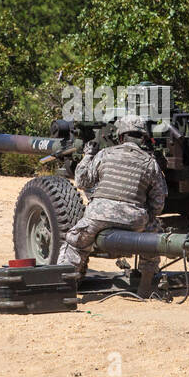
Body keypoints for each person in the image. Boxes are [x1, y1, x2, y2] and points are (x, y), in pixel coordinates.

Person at [58, 115, 167, 285]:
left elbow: (81, 181)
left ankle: (65, 284)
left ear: (121, 137)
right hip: (134, 219)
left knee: (74, 242)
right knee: (152, 241)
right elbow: (158, 202)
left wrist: (88, 155)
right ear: (144, 138)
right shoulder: (150, 163)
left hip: (99, 216)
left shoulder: (104, 154)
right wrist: (147, 216)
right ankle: (147, 282)